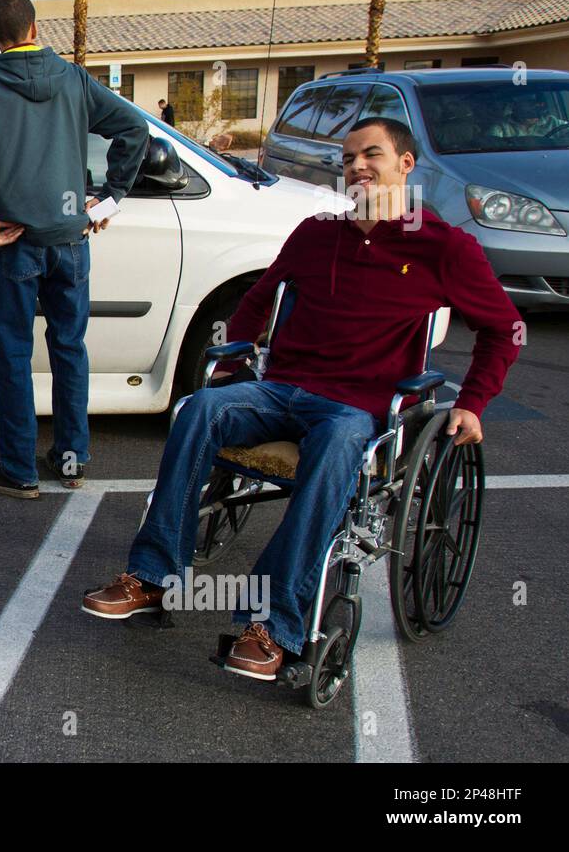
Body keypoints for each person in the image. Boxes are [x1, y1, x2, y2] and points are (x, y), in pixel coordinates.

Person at [81, 117, 521, 681]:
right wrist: (234, 364)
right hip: (282, 389)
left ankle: (272, 622)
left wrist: (473, 402)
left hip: (357, 407)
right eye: (348, 158)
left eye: (372, 155)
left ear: (406, 165)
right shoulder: (316, 234)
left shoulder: (442, 247)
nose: (357, 166)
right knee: (199, 410)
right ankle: (151, 576)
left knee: (338, 444)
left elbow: (504, 328)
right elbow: (257, 299)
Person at [0, 0, 149, 497]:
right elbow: (134, 128)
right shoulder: (75, 79)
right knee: (69, 348)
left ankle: (19, 470)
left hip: (17, 243)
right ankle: (72, 460)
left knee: (13, 353)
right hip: (71, 241)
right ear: (35, 29)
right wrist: (108, 201)